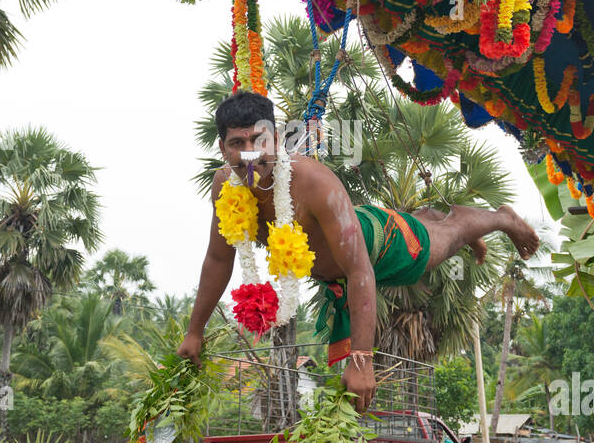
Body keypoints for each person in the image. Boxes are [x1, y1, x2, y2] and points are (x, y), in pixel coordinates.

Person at [177, 91, 540, 412]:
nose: (250, 154)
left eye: (258, 139)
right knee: (433, 230)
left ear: (276, 140)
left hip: (378, 246)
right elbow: (218, 259)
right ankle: (439, 221)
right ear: (223, 148)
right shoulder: (225, 185)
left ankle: (497, 219)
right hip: (338, 252)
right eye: (237, 143)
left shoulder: (315, 182)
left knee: (437, 247)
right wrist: (195, 331)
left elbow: (360, 271)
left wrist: (363, 360)